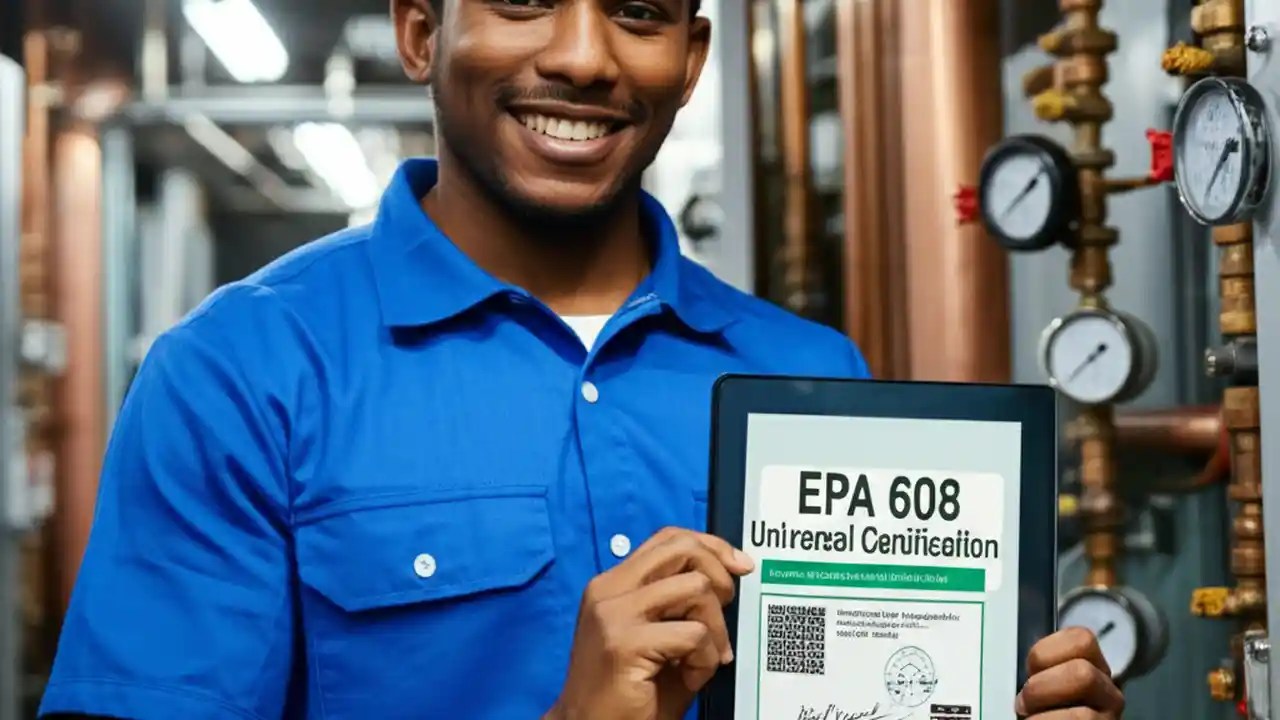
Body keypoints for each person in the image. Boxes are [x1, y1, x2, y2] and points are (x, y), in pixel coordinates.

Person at [40, 1, 1125, 719]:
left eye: (638, 13)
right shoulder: (242, 371)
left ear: (690, 60)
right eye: (522, 0)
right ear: (420, 31)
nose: (582, 56)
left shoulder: (810, 373)